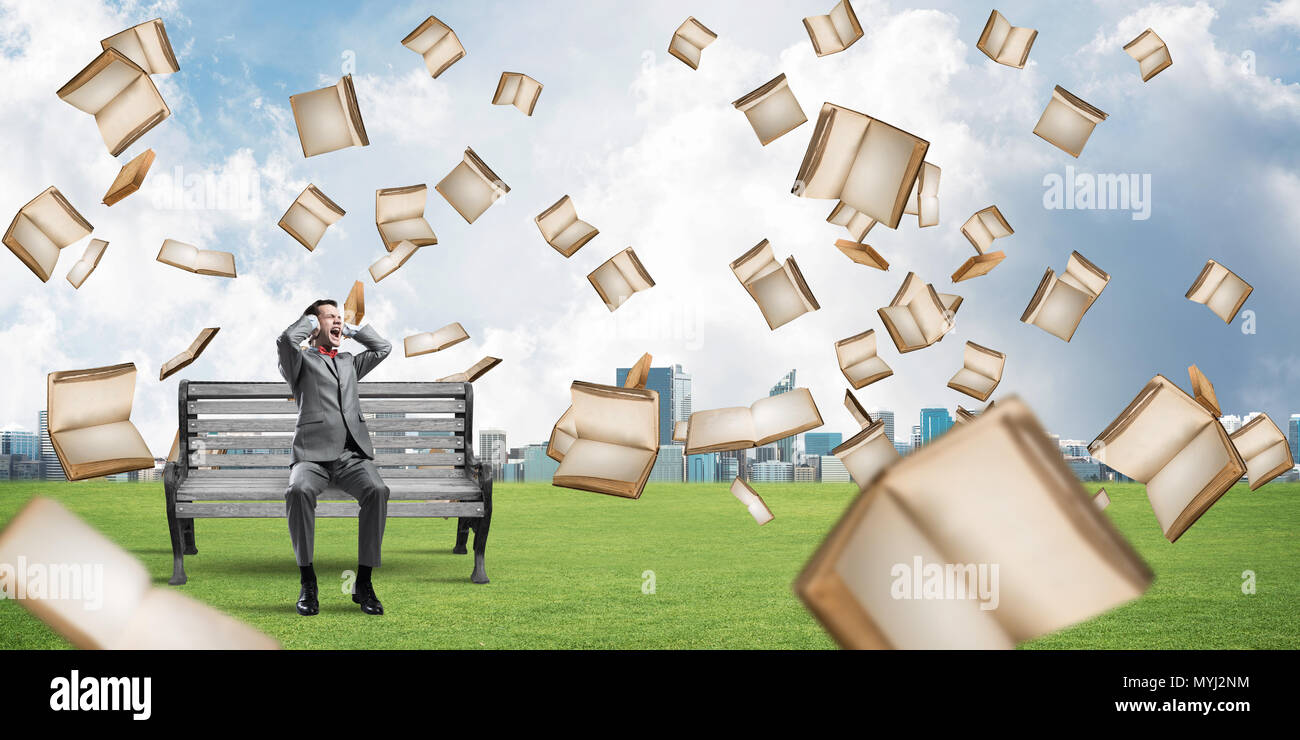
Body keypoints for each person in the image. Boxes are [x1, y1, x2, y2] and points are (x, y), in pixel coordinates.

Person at [276, 299, 392, 616]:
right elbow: (286, 339)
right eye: (330, 316)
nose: (337, 321)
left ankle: (363, 583)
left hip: (352, 455)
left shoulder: (348, 362)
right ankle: (308, 582)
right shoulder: (298, 361)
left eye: (339, 317)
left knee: (378, 491)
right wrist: (312, 321)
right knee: (297, 491)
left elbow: (384, 348)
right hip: (311, 458)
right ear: (314, 325)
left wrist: (349, 329)